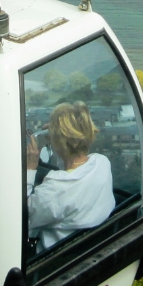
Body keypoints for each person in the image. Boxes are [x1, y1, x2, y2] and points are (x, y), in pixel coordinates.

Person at [26, 102, 115, 252]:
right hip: (83, 251)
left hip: (48, 262)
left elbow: (22, 218)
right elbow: (73, 169)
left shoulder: (54, 191)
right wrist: (58, 138)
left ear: (58, 140)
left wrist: (29, 168)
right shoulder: (102, 163)